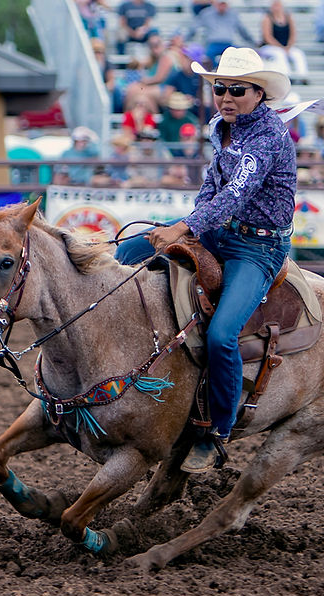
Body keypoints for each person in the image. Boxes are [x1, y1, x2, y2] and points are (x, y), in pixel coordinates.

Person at [114, 47, 294, 473]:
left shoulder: (268, 136)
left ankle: (217, 430)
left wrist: (184, 227)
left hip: (258, 247)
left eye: (237, 90)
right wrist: (190, 223)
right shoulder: (220, 127)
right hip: (219, 230)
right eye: (220, 88)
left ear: (259, 94)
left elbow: (236, 193)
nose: (226, 97)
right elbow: (214, 184)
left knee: (222, 336)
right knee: (127, 252)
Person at [185, 0, 256, 69]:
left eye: (223, 4)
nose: (222, 7)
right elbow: (194, 28)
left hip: (228, 43)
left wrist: (253, 42)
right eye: (220, 4)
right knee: (208, 58)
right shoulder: (206, 13)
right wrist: (185, 39)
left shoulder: (233, 15)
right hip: (213, 44)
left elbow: (242, 30)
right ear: (215, 4)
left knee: (239, 56)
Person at [259, 0, 309, 83]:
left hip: (286, 46)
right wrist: (281, 47)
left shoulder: (288, 18)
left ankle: (303, 76)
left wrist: (288, 47)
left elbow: (293, 34)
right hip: (271, 46)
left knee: (298, 54)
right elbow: (267, 37)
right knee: (280, 54)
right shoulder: (267, 18)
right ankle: (287, 76)